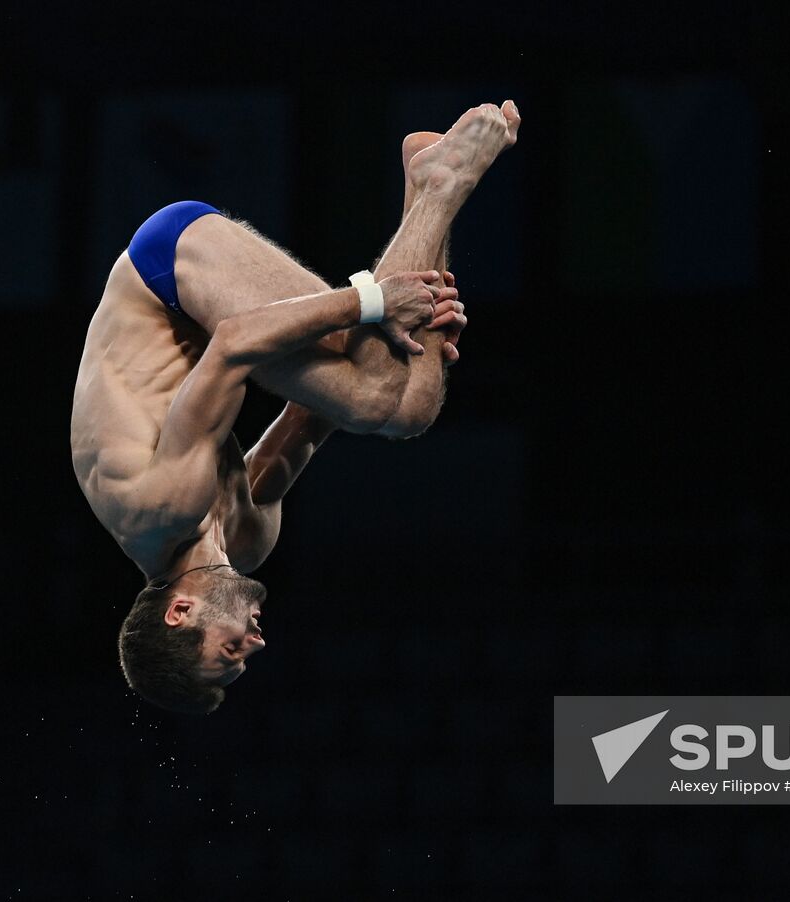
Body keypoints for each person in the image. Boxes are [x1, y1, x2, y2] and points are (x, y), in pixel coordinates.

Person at [70, 101, 521, 713]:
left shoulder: (158, 507)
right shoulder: (247, 541)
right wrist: (423, 344)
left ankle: (439, 186)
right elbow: (312, 417)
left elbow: (234, 345)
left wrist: (374, 302)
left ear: (180, 612)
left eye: (231, 650)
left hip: (165, 272)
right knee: (409, 406)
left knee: (378, 395)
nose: (256, 642)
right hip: (211, 329)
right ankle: (426, 182)